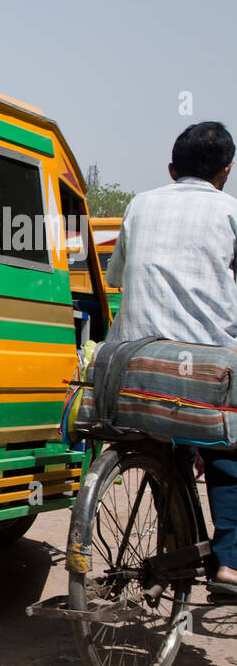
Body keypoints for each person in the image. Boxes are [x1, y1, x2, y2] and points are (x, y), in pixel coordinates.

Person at [105, 121, 237, 595]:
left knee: (169, 447)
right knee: (228, 452)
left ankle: (172, 552)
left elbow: (117, 273)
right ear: (225, 171)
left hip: (133, 367)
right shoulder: (229, 212)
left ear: (171, 169)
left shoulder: (140, 205)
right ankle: (229, 562)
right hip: (203, 372)